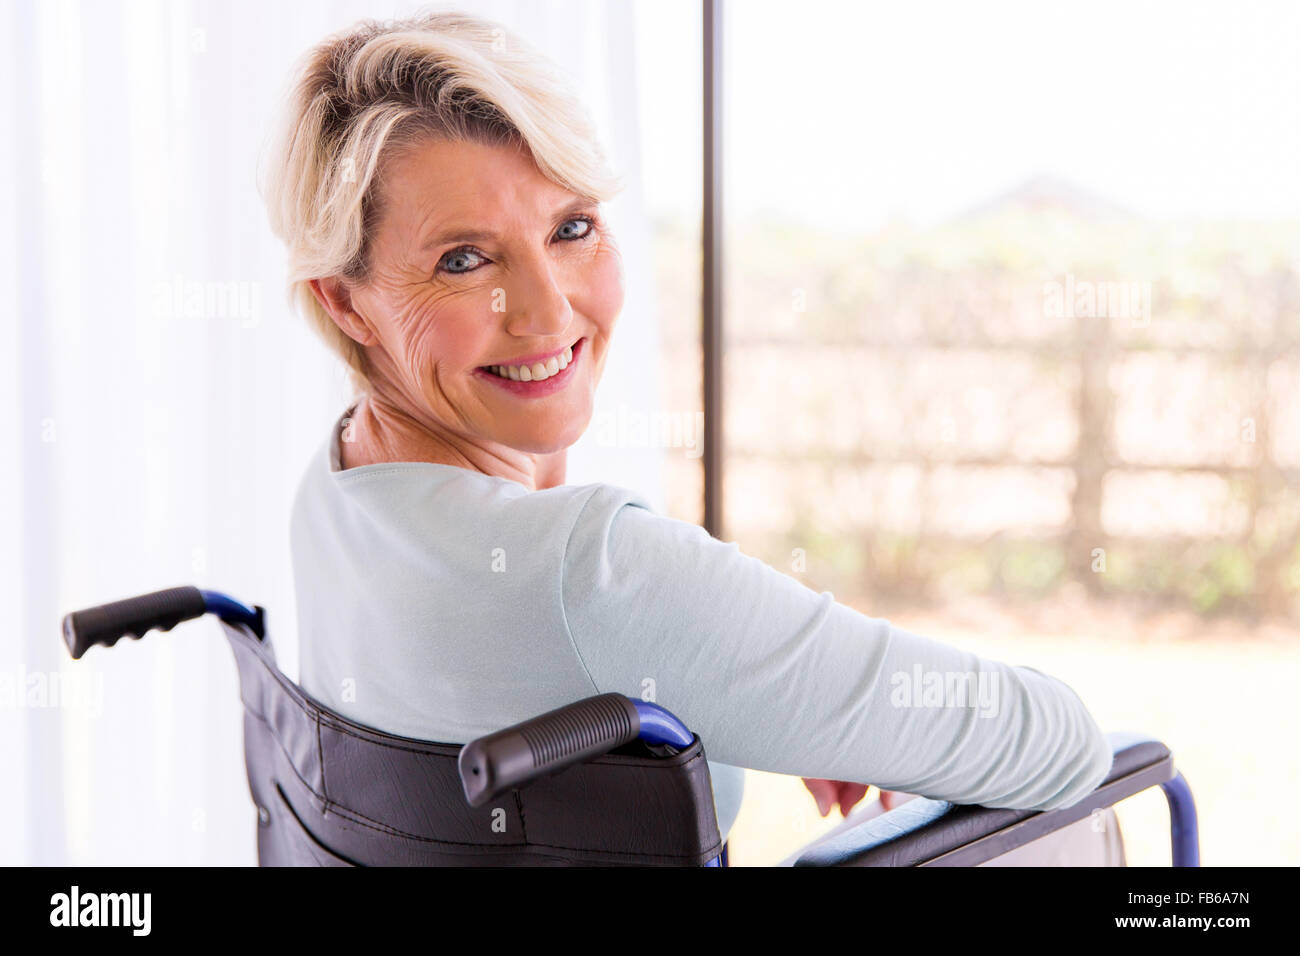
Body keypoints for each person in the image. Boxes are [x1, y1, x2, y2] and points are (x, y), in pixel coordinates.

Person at [260, 10, 1117, 862]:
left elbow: (526, 660)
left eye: (571, 228)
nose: (550, 311)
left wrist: (769, 697)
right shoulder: (597, 572)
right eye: (463, 260)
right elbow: (1062, 742)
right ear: (344, 299)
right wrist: (801, 689)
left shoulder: (332, 485)